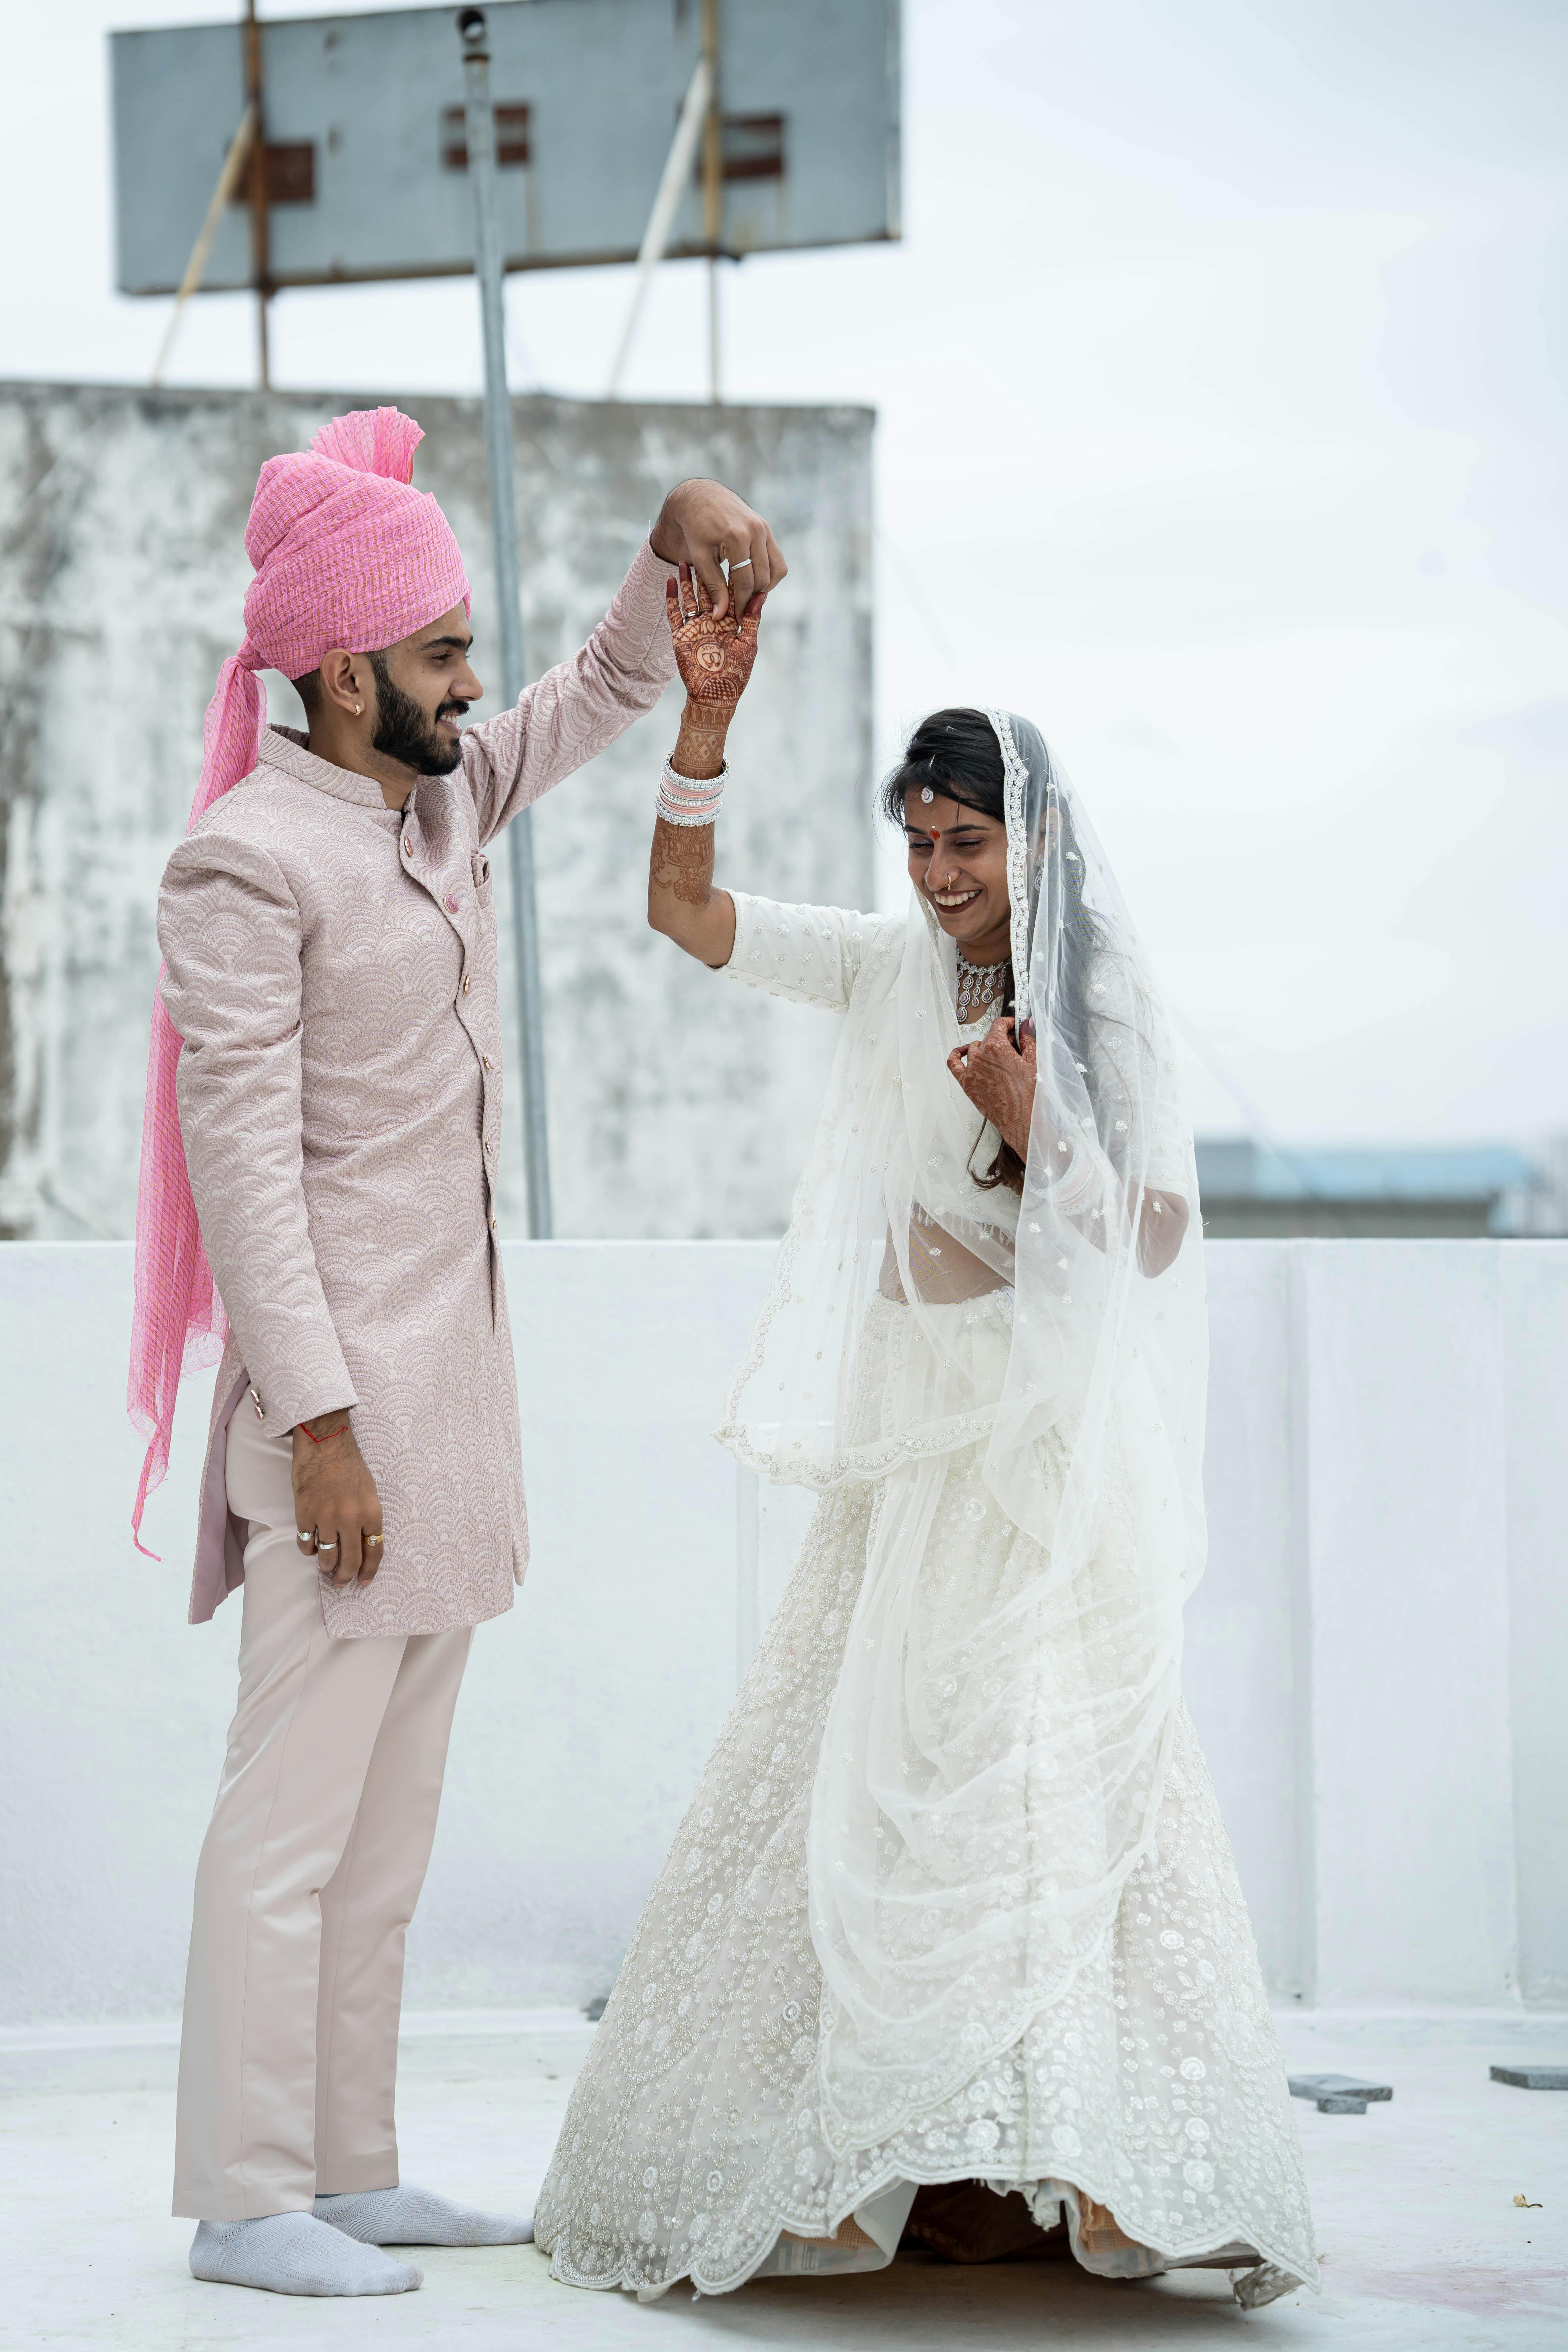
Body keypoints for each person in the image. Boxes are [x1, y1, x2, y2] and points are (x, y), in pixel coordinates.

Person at [532, 576, 1317, 2308]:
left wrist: (1044, 1130)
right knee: (876, 1790)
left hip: (1042, 1472)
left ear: (1031, 846)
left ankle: (1093, 2166)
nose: (941, 873)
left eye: (969, 843)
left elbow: (1156, 1239)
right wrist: (704, 727)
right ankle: (892, 2162)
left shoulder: (1103, 1009)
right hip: (917, 1464)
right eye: (920, 842)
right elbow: (684, 912)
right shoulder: (893, 968)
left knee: (1037, 1787)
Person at [133, 411, 785, 2299]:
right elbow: (245, 1174)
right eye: (441, 655)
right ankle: (242, 2198)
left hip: (445, 1426)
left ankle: (347, 2171)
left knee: (382, 1842)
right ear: (346, 676)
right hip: (335, 1436)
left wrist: (668, 549)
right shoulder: (246, 867)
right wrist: (323, 1425)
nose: (473, 683)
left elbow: (602, 687)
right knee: (285, 1832)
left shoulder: (435, 803)